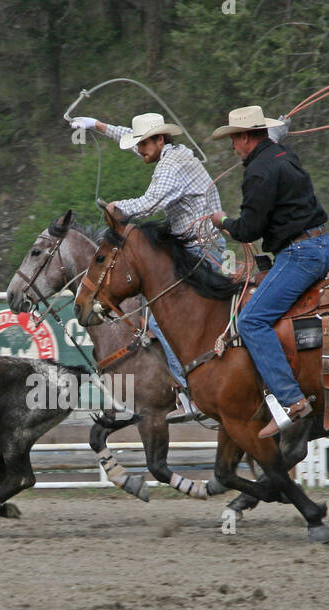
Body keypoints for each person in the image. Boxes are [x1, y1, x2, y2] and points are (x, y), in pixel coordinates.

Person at [70, 112, 227, 417]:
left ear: (159, 140)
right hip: (191, 247)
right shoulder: (169, 155)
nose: (139, 149)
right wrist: (99, 126)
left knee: (157, 319)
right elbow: (132, 141)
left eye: (143, 144)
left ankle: (188, 391)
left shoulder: (171, 165)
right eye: (138, 144)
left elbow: (151, 203)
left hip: (201, 249)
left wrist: (116, 207)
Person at [207, 105, 329, 438]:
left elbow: (249, 229)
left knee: (251, 320)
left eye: (234, 139)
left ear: (247, 137)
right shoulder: (282, 154)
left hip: (299, 255)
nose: (233, 147)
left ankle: (292, 400)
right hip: (319, 246)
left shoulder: (260, 171)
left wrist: (222, 222)